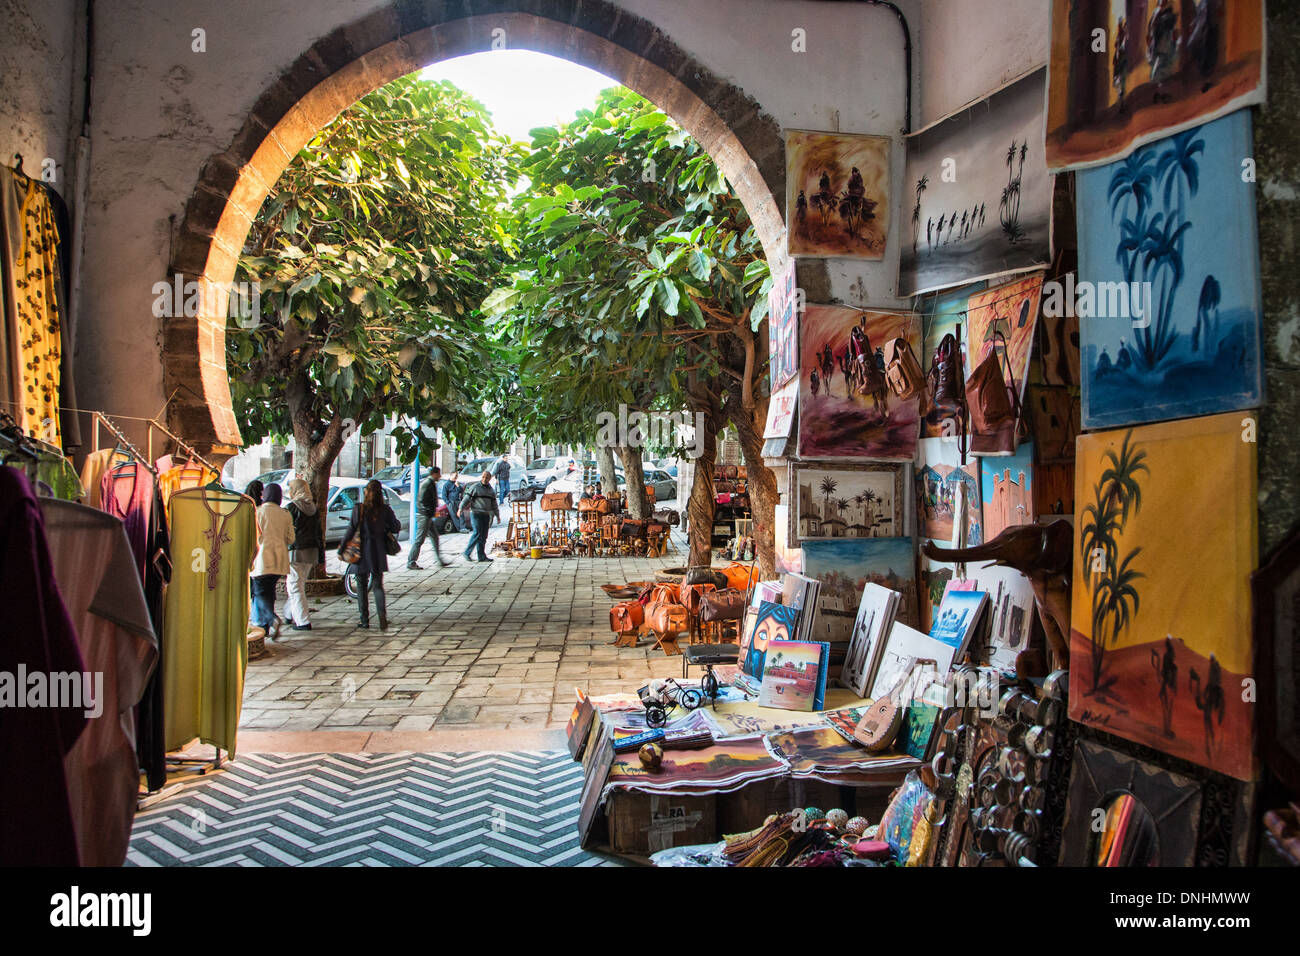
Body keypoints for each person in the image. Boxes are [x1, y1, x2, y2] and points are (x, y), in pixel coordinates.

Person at [340, 479, 401, 629]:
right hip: (378, 551)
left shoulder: (359, 509)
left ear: (366, 492)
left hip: (361, 551)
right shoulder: (385, 510)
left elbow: (351, 530)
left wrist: (342, 548)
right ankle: (382, 616)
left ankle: (364, 619)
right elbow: (396, 527)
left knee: (361, 585)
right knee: (377, 585)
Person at [251, 483, 293, 639]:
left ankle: (271, 618)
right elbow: (291, 538)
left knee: (259, 593)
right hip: (280, 560)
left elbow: (256, 537)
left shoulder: (259, 512)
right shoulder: (285, 514)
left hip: (261, 560)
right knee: (269, 592)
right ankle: (265, 626)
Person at [284, 478, 321, 631]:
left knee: (294, 586)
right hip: (311, 551)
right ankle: (289, 614)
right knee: (297, 583)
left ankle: (303, 621)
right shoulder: (313, 508)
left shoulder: (292, 508)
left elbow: (287, 530)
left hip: (296, 550)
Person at [408, 466, 449, 570]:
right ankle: (411, 561)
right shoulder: (427, 484)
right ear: (434, 474)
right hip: (424, 515)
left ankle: (439, 560)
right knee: (419, 539)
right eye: (439, 474)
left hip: (428, 515)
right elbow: (421, 501)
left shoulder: (430, 483)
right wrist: (428, 511)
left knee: (435, 537)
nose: (440, 476)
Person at [460, 470, 499, 563]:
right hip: (476, 513)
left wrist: (497, 515)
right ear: (481, 477)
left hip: (486, 514)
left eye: (487, 477)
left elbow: (494, 504)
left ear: (490, 478)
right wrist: (460, 508)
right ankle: (467, 552)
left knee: (483, 536)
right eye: (483, 477)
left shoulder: (491, 490)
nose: (485, 479)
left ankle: (481, 556)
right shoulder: (475, 487)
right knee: (477, 533)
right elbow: (466, 499)